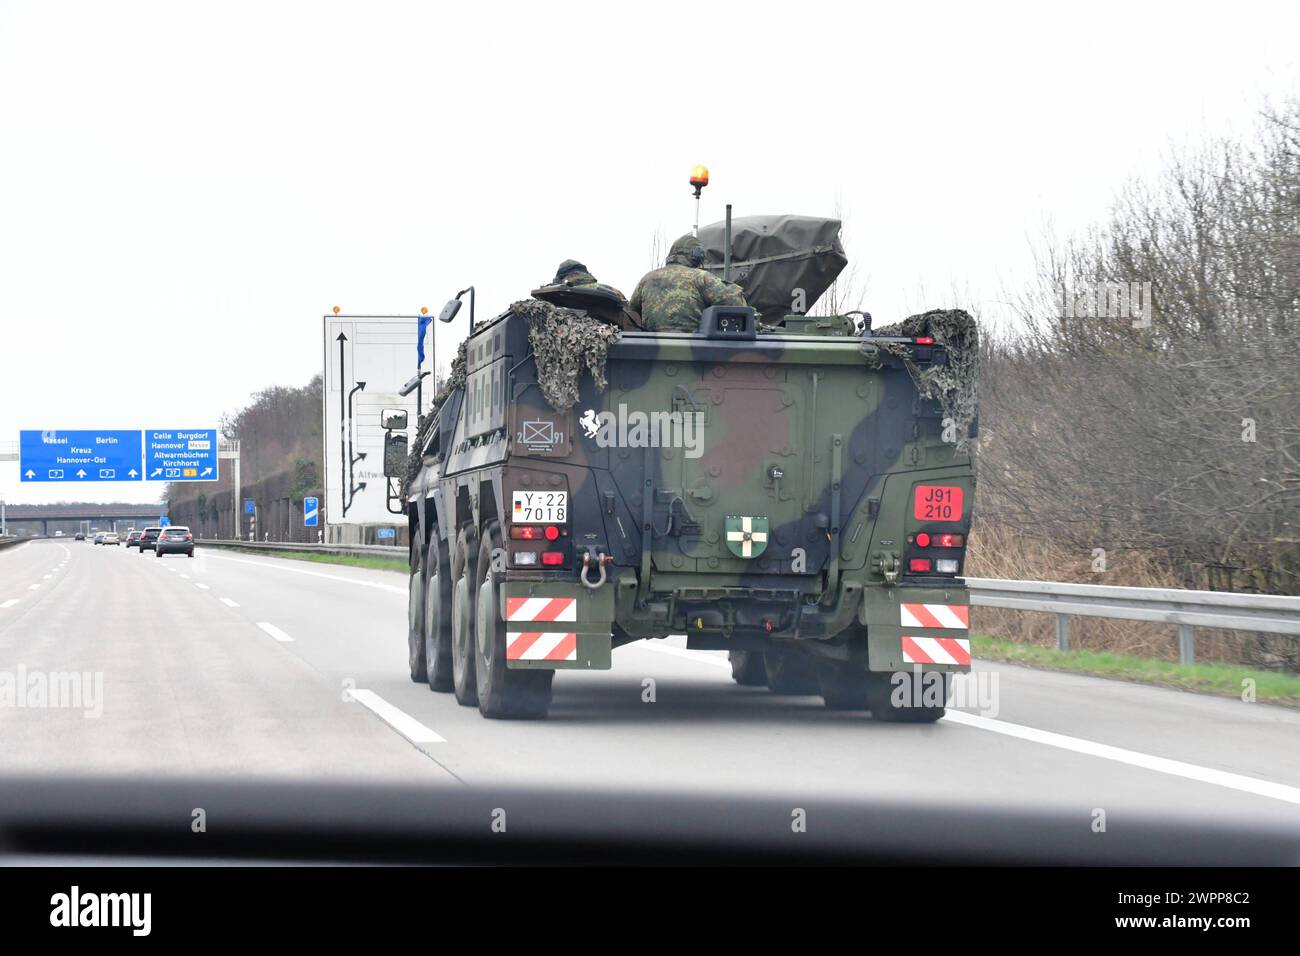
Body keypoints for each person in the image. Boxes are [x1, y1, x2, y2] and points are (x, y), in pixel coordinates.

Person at [628, 236, 746, 332]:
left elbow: (631, 313)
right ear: (696, 255)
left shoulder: (647, 279)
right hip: (694, 351)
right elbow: (735, 303)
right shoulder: (701, 277)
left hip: (650, 351)